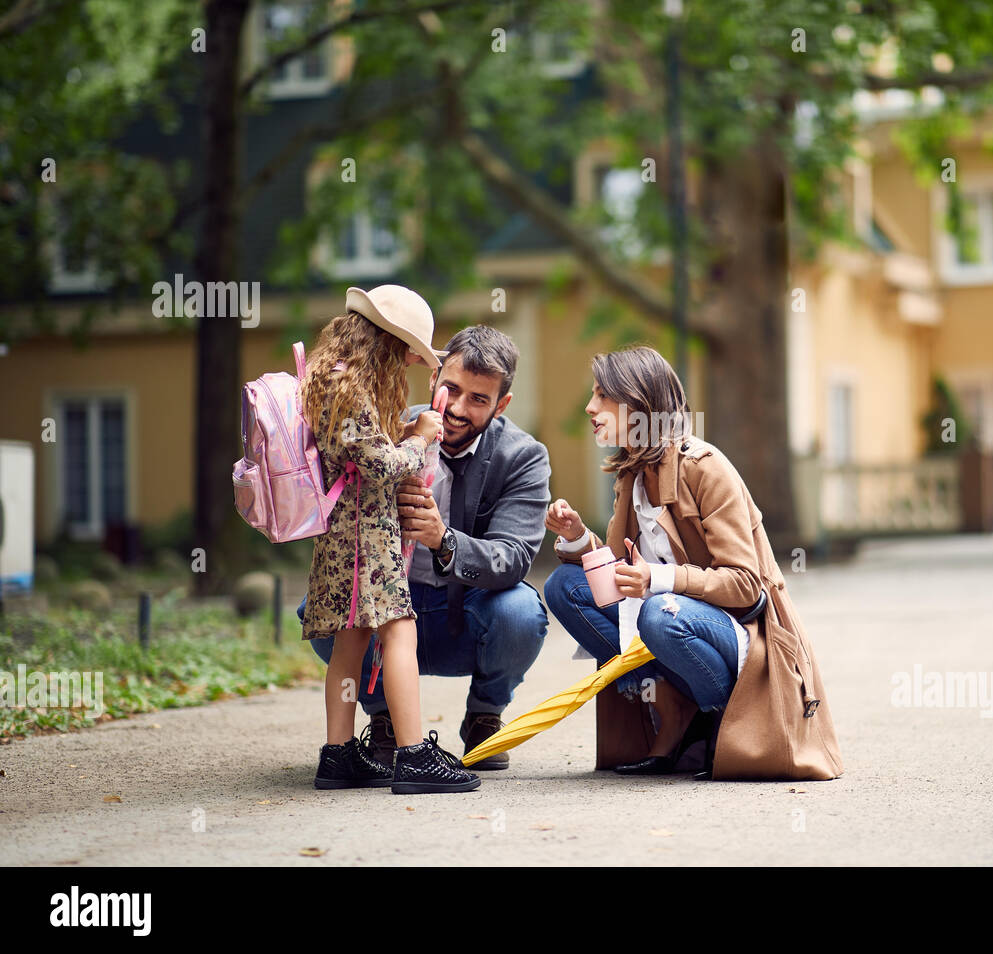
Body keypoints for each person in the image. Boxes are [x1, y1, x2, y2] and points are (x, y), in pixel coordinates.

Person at [543, 345, 843, 780]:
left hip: (735, 632)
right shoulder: (632, 475)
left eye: (602, 396)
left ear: (637, 402)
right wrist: (575, 539)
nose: (590, 407)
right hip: (666, 622)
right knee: (564, 587)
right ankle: (668, 701)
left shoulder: (705, 468)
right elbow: (616, 576)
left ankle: (722, 716)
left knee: (659, 612)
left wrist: (656, 579)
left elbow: (745, 585)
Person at [298, 324, 551, 770]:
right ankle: (384, 720)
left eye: (478, 399)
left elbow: (512, 558)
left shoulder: (523, 456)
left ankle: (483, 716)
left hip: (465, 619)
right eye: (451, 388)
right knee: (319, 610)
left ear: (501, 404)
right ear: (433, 378)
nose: (456, 409)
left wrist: (443, 539)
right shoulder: (389, 427)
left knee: (521, 612)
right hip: (389, 609)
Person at [298, 284, 480, 794]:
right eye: (403, 351)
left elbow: (356, 456)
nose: (404, 365)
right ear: (384, 339)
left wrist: (400, 438)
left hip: (339, 536)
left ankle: (337, 755)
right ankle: (414, 755)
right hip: (365, 538)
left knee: (350, 641)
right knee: (400, 631)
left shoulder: (329, 380)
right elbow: (376, 466)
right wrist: (420, 438)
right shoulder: (351, 390)